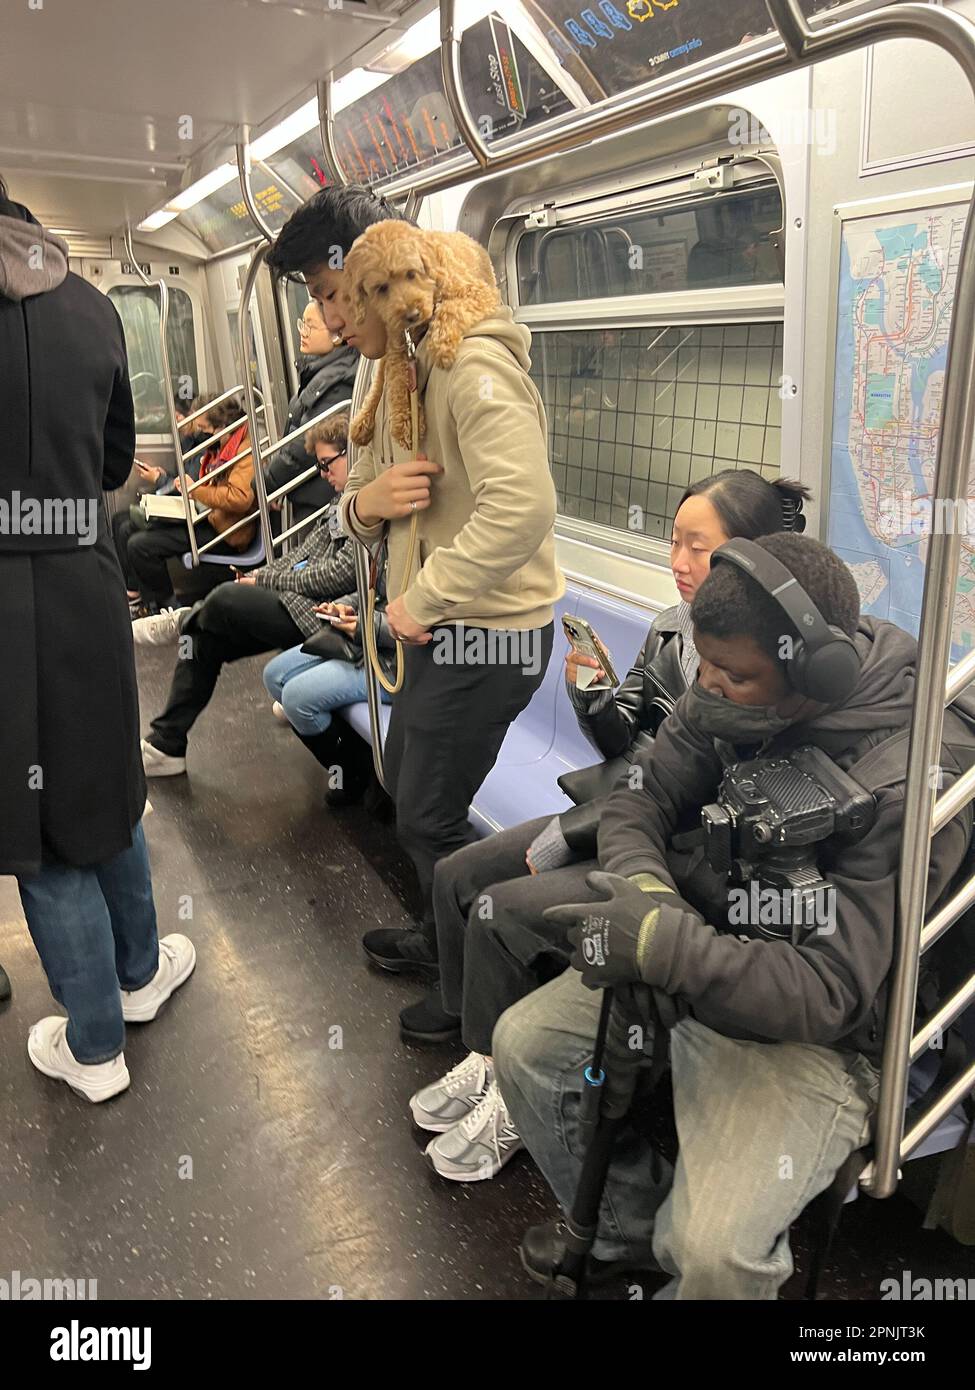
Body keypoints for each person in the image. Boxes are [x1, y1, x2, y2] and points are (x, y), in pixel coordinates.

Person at [492, 534, 975, 1296]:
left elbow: (828, 993)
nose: (707, 686)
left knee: (714, 1251)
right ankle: (629, 1232)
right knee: (522, 1049)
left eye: (734, 675)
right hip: (699, 943)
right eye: (704, 663)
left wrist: (667, 948)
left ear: (818, 670)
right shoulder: (727, 681)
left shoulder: (905, 779)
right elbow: (638, 803)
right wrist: (653, 908)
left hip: (815, 1037)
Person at [404, 472, 812, 1097]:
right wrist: (592, 693)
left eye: (697, 548)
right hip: (622, 812)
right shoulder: (671, 627)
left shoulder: (776, 663)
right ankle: (473, 1033)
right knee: (457, 874)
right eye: (673, 541)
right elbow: (624, 737)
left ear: (750, 556)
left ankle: (507, 1083)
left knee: (499, 912)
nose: (677, 562)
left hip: (682, 850)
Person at [267, 187, 564, 976]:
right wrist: (366, 506)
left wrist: (416, 602)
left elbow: (525, 506)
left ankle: (482, 972)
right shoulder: (394, 366)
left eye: (334, 297)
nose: (331, 321)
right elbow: (363, 491)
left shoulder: (465, 362)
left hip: (486, 632)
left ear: (373, 275)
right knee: (404, 785)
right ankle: (464, 932)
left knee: (427, 817)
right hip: (437, 623)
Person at [0, 172, 194, 1102]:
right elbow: (116, 460)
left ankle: (93, 1045)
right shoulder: (92, 303)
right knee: (105, 783)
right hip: (82, 574)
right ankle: (140, 969)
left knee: (36, 821)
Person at [134, 415, 359, 778]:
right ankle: (166, 744)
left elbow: (341, 574)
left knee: (224, 599)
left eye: (326, 464)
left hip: (325, 612)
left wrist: (264, 582)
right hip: (298, 598)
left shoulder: (369, 505)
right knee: (203, 638)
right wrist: (260, 576)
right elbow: (300, 556)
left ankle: (179, 618)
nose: (321, 474)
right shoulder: (340, 500)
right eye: (318, 465)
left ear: (354, 454)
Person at [262, 581, 395, 806]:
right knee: (274, 676)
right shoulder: (394, 547)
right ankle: (364, 762)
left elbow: (423, 629)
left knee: (297, 699)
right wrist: (343, 607)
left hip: (398, 663)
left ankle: (352, 775)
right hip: (367, 637)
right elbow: (376, 589)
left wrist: (364, 625)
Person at [126, 395, 255, 613]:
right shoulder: (222, 445)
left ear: (221, 426)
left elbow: (240, 498)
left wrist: (195, 490)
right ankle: (152, 605)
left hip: (225, 530)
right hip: (207, 516)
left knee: (140, 545)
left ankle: (170, 610)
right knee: (133, 529)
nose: (202, 434)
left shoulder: (244, 451)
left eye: (205, 428)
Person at [111, 395, 215, 616]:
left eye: (180, 417)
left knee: (137, 541)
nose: (176, 423)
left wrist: (159, 480)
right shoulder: (188, 443)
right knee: (121, 521)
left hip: (201, 519)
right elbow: (181, 480)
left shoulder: (206, 448)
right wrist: (162, 476)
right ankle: (138, 595)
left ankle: (164, 606)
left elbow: (192, 488)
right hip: (187, 508)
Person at [265, 299, 358, 524]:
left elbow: (307, 441)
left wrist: (268, 482)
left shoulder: (339, 378)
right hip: (308, 492)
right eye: (301, 324)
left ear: (337, 334)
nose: (302, 332)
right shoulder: (318, 373)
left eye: (311, 326)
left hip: (320, 497)